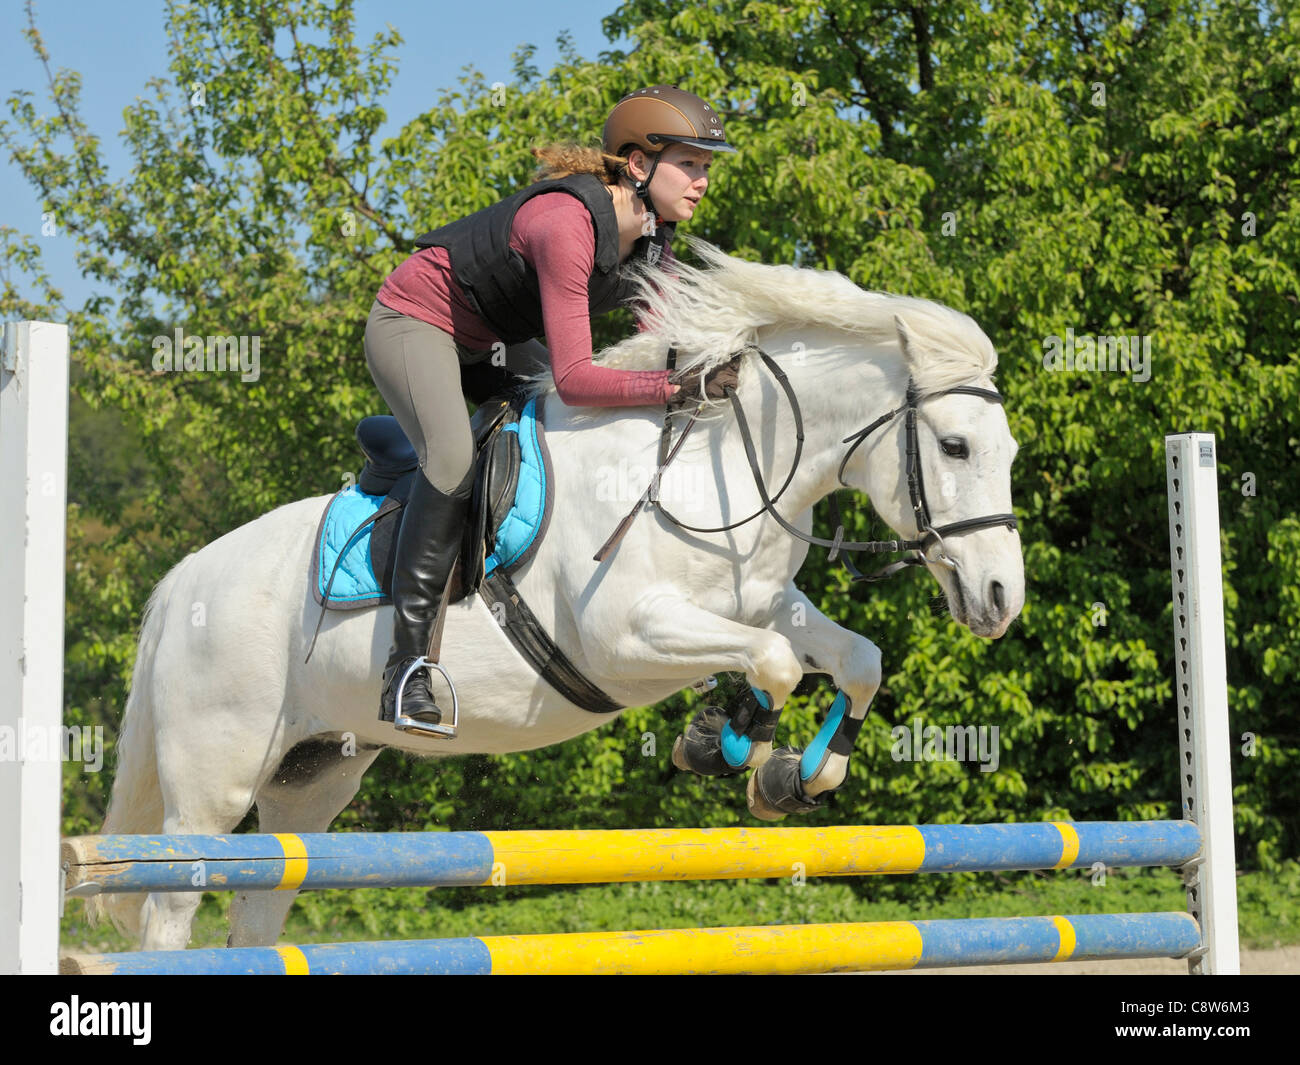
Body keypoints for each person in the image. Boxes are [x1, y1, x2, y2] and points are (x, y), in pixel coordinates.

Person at [364, 85, 738, 735]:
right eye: (691, 164)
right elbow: (576, 379)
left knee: (592, 429)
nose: (703, 181)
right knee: (451, 456)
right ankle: (409, 666)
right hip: (414, 323)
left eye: (707, 167)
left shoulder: (655, 238)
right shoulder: (566, 223)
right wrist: (671, 387)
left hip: (491, 341)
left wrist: (715, 372)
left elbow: (664, 350)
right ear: (639, 166)